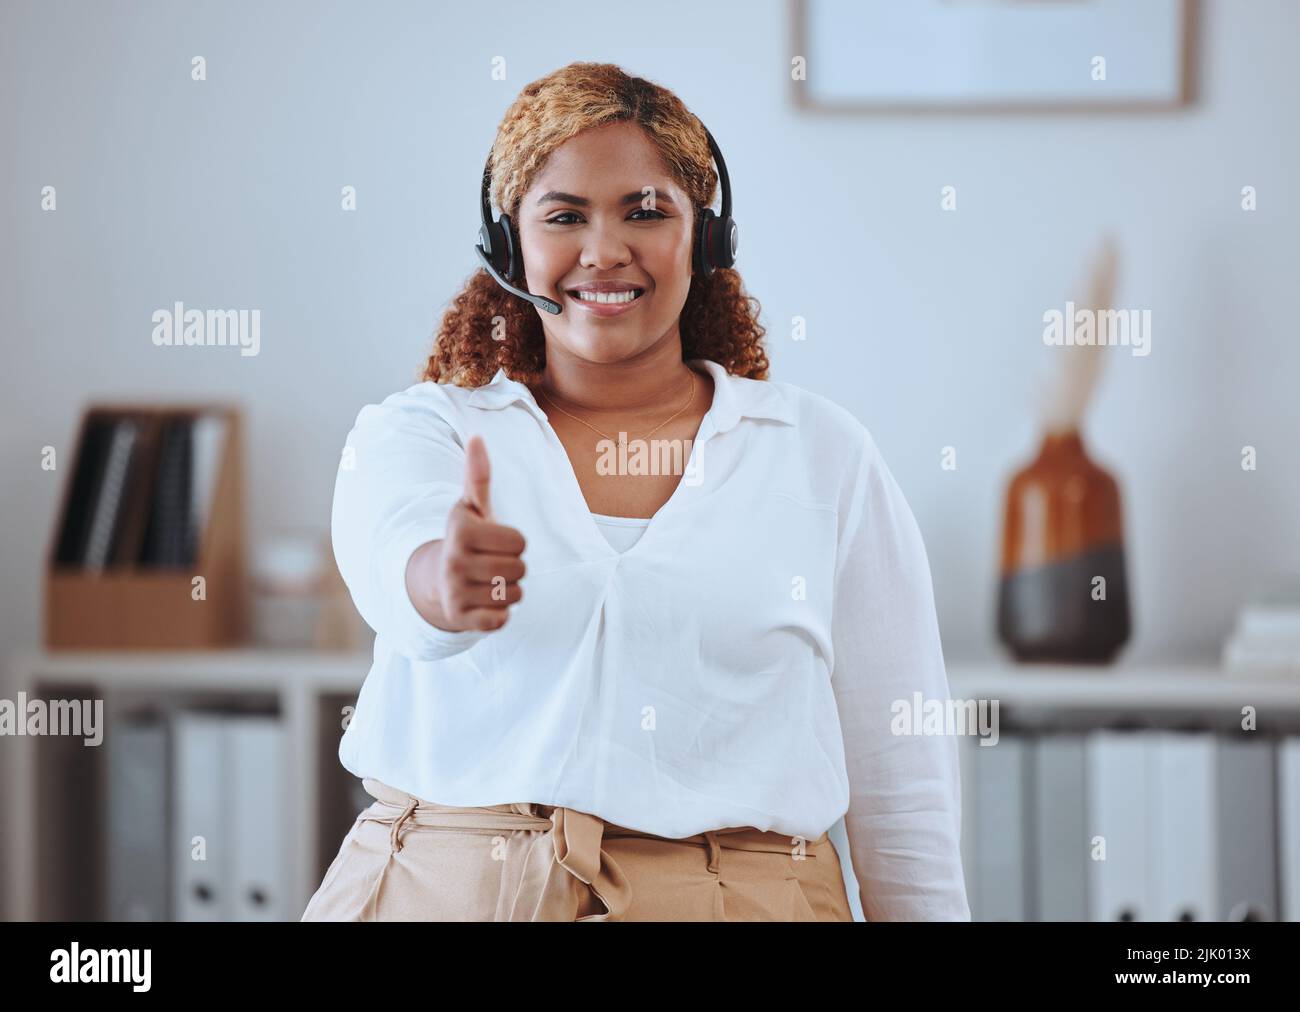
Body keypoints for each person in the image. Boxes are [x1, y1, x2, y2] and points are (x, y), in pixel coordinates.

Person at [302, 61, 969, 922]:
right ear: (510, 248)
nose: (603, 250)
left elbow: (899, 769)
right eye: (564, 216)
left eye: (645, 212)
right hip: (444, 889)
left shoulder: (821, 455)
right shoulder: (420, 432)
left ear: (707, 238)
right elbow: (397, 558)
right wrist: (443, 581)